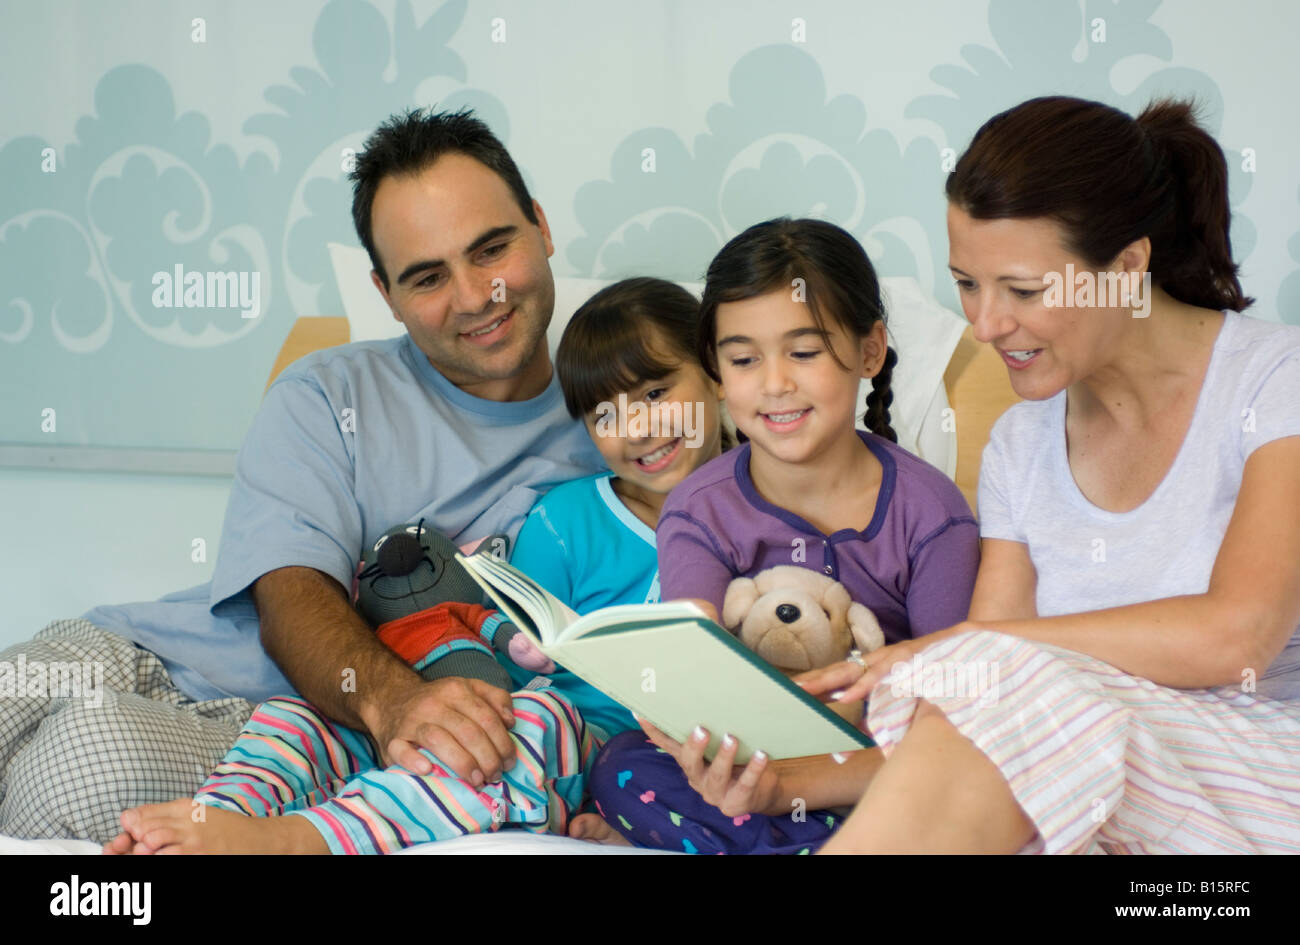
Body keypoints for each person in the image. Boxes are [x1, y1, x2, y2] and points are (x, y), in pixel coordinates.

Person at [665, 96, 1300, 855]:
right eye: (968, 282)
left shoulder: (1274, 382)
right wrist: (785, 785)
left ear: (1127, 267)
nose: (984, 323)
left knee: (1001, 669)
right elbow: (972, 718)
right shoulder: (1021, 443)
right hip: (1095, 813)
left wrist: (966, 647)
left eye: (1023, 290)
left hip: (1253, 797)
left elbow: (1239, 636)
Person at [1, 107, 612, 846]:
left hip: (278, 725)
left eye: (491, 249)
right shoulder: (328, 392)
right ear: (385, 293)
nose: (476, 294)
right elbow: (290, 592)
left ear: (542, 228)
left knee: (78, 765)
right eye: (427, 276)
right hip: (140, 648)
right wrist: (395, 702)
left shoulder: (630, 429)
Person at [101, 277, 729, 854]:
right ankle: (210, 824)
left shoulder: (760, 520)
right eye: (607, 414)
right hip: (520, 709)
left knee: (541, 724)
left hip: (602, 750)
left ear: (716, 374)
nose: (642, 428)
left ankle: (298, 841)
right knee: (301, 711)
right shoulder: (568, 517)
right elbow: (510, 640)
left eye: (656, 392)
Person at [581, 217, 981, 854]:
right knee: (623, 765)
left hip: (875, 769)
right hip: (744, 764)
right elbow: (695, 653)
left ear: (870, 350)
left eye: (804, 351)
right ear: (716, 371)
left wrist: (829, 745)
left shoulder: (934, 515)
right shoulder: (698, 511)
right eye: (743, 359)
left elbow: (952, 710)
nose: (773, 384)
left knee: (963, 787)